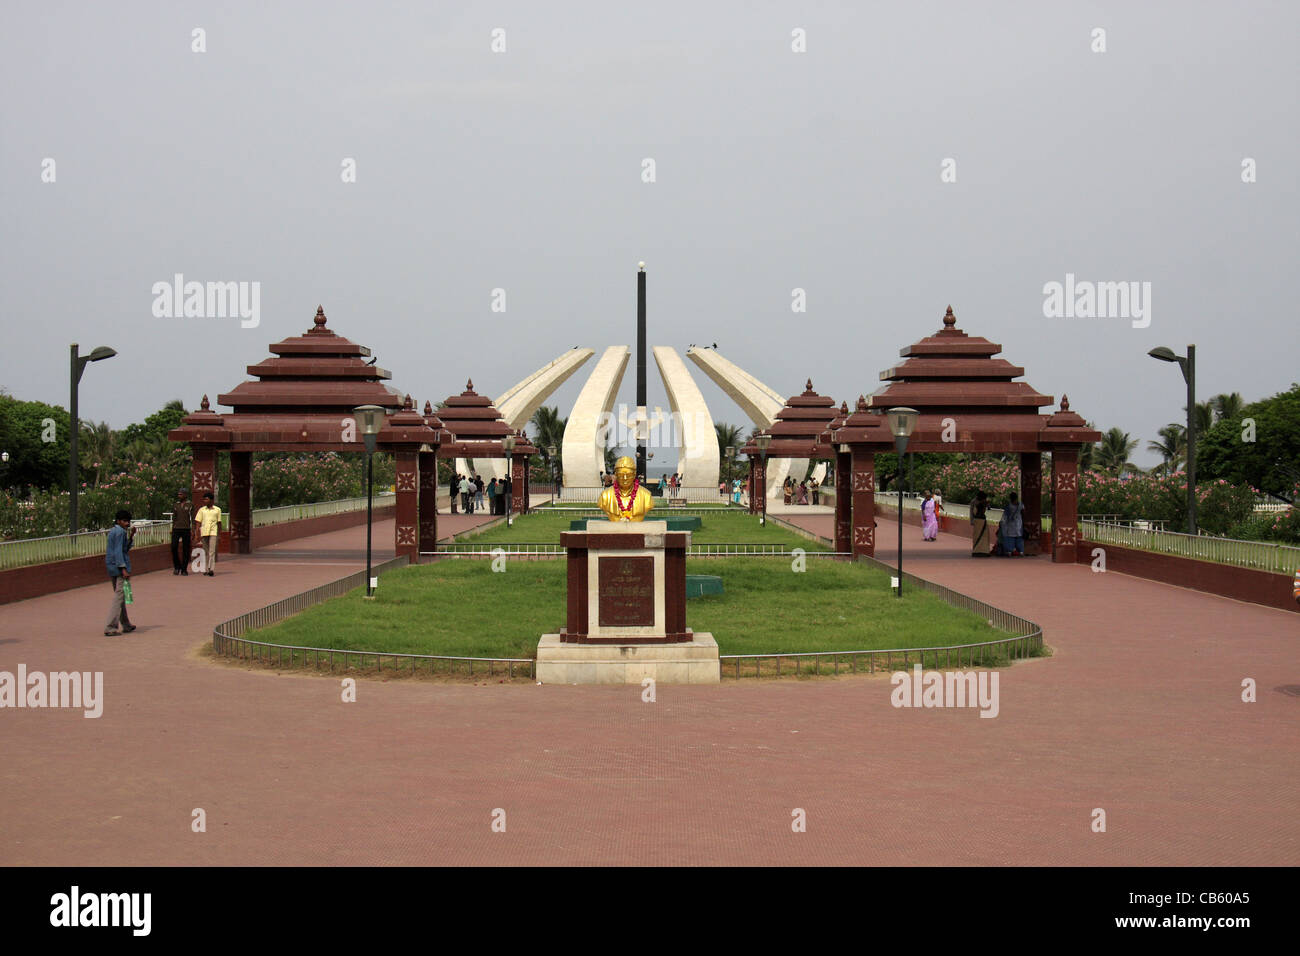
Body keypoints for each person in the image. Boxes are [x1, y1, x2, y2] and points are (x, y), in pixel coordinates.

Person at [104, 509, 137, 636]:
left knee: (121, 596)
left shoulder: (115, 531)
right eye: (124, 521)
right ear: (118, 521)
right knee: (119, 596)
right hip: (119, 567)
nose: (127, 523)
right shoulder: (119, 532)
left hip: (111, 566)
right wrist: (123, 569)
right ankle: (111, 626)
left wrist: (131, 536)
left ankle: (126, 624)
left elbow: (124, 548)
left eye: (128, 521)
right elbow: (119, 552)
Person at [194, 492, 222, 576]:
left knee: (212, 551)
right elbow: (198, 522)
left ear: (211, 500)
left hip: (213, 532)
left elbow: (219, 523)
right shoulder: (202, 510)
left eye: (206, 499)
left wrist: (219, 534)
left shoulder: (217, 510)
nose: (205, 501)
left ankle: (211, 569)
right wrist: (197, 533)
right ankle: (207, 569)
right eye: (204, 499)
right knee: (206, 552)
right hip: (204, 532)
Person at [170, 488, 193, 575]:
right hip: (176, 528)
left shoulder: (190, 505)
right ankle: (177, 566)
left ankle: (184, 569)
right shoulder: (176, 505)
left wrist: (193, 530)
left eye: (181, 494)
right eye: (178, 494)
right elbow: (174, 518)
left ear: (185, 495)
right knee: (173, 547)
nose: (179, 496)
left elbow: (193, 518)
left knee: (186, 549)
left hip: (186, 529)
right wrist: (172, 529)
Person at [1001, 491, 1025, 556]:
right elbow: (1023, 513)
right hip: (1019, 524)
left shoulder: (1008, 506)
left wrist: (1002, 523)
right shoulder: (1021, 505)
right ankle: (1021, 551)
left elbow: (1005, 516)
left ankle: (1010, 551)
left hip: (1010, 525)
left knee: (1010, 538)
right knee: (1019, 538)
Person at [970, 490, 990, 557]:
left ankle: (977, 550)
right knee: (983, 536)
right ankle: (983, 550)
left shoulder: (975, 502)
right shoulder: (979, 502)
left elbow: (972, 512)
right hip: (981, 520)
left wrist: (972, 520)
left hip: (977, 521)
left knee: (977, 536)